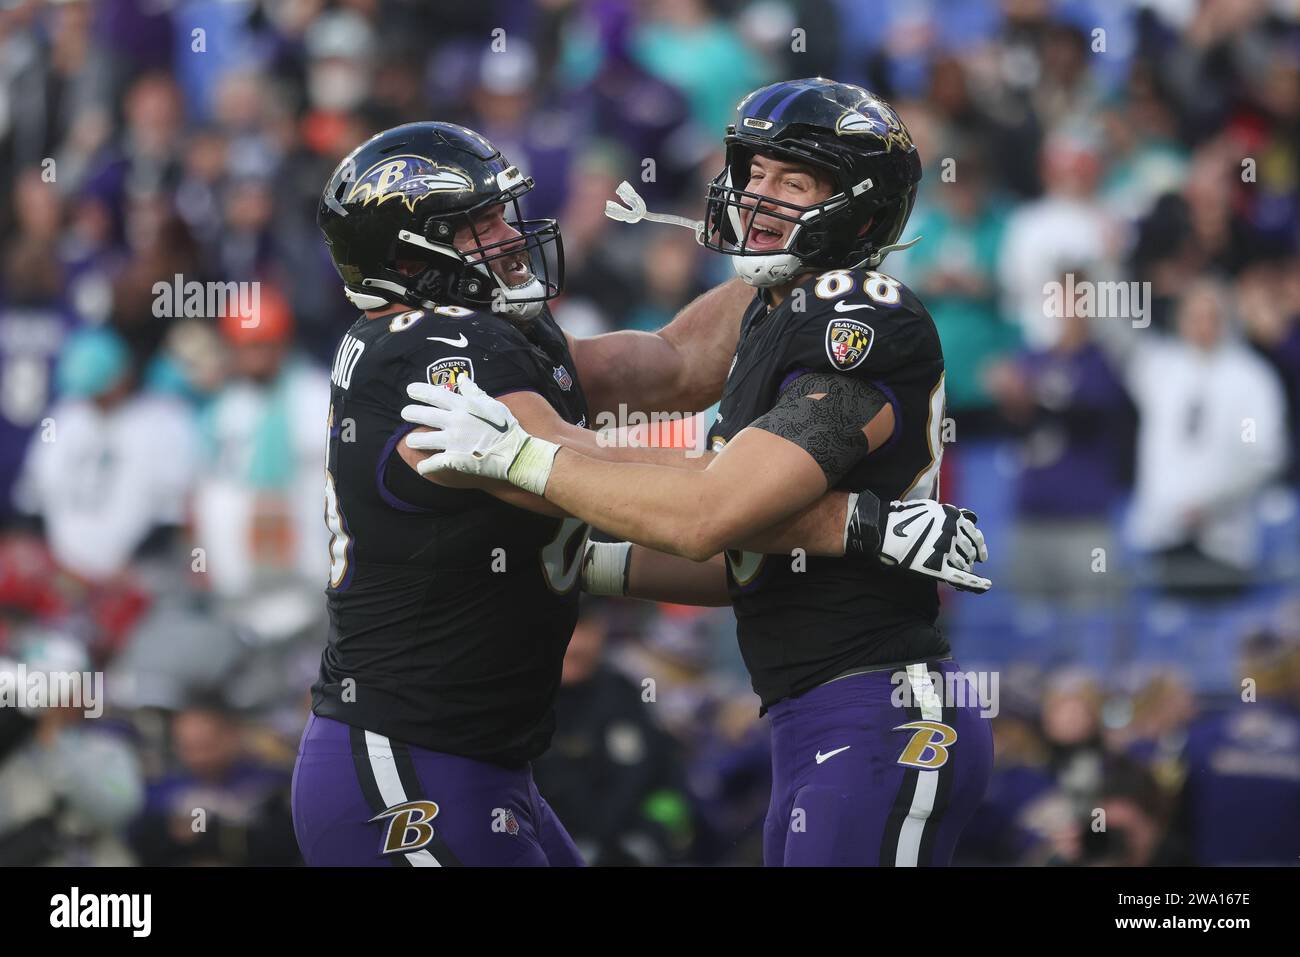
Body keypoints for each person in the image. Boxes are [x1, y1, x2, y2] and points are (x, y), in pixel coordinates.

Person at [293, 120, 988, 867]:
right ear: (408, 256)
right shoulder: (438, 347)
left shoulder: (488, 338)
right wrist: (848, 522)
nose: (508, 234)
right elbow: (688, 499)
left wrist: (816, 250)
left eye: (502, 211)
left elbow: (677, 363)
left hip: (474, 765)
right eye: (478, 223)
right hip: (405, 764)